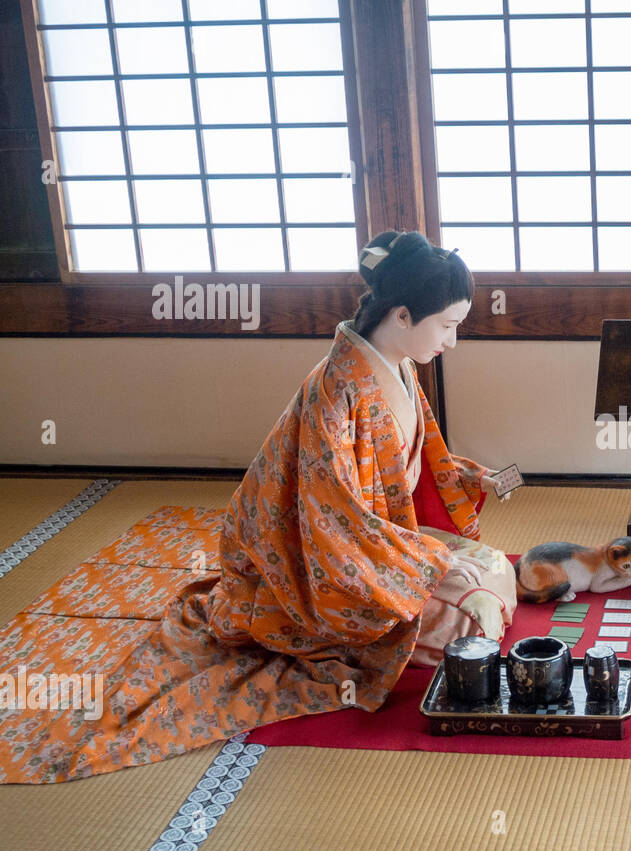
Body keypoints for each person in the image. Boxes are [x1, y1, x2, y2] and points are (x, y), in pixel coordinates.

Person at [0, 230, 517, 783]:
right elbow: (333, 519)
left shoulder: (399, 367)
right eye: (448, 325)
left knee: (493, 575)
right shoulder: (337, 392)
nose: (453, 341)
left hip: (379, 549)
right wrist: (430, 562)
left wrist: (464, 475)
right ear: (402, 316)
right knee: (467, 628)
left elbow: (412, 461)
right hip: (305, 568)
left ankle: (439, 588)